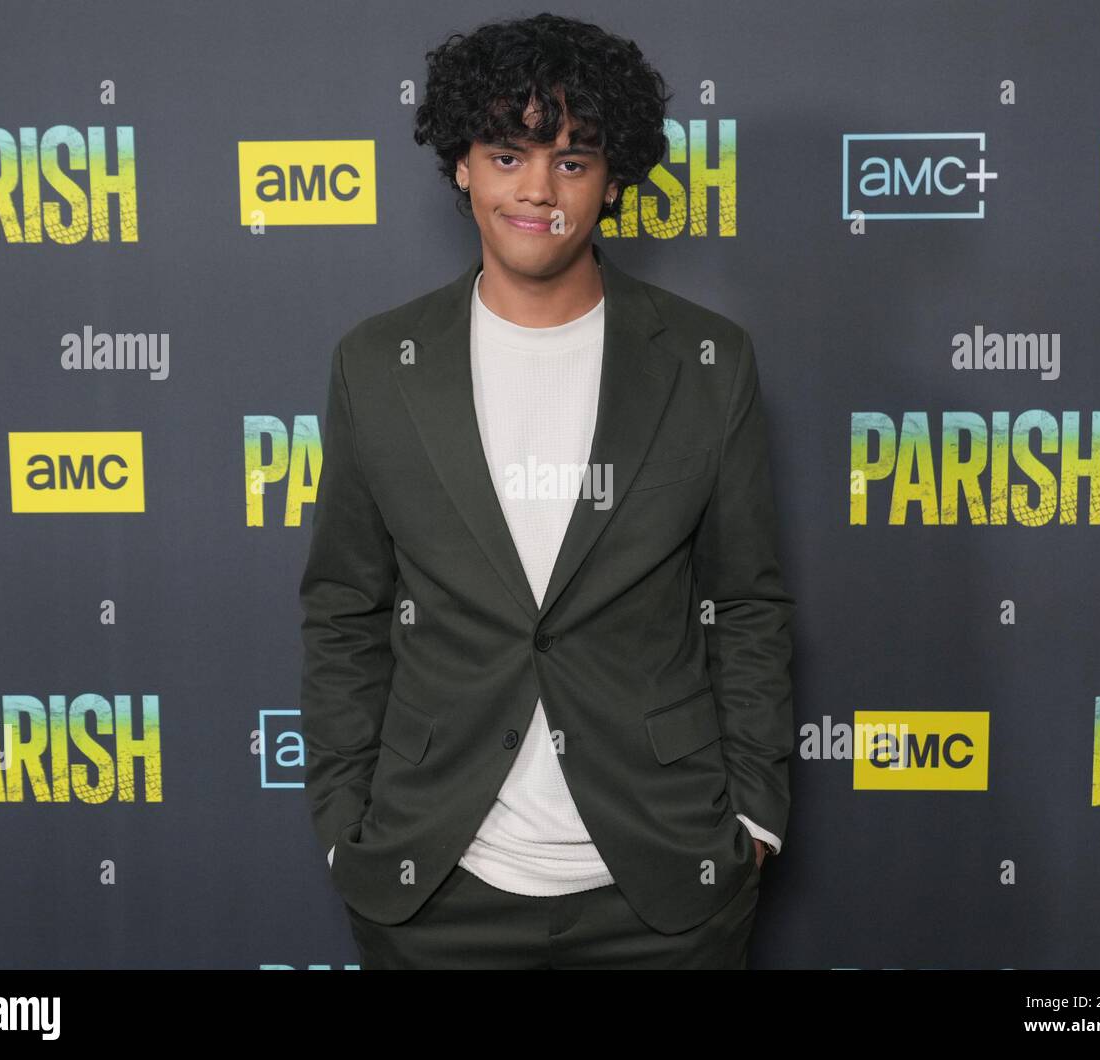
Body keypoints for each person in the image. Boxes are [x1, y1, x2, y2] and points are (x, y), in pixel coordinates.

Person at [299, 12, 796, 969]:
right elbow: (343, 606)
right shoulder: (376, 364)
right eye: (507, 153)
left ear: (614, 180)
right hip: (434, 886)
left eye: (572, 161)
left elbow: (749, 603)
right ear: (461, 165)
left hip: (665, 888)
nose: (536, 189)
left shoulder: (707, 361)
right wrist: (342, 819)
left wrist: (754, 818)